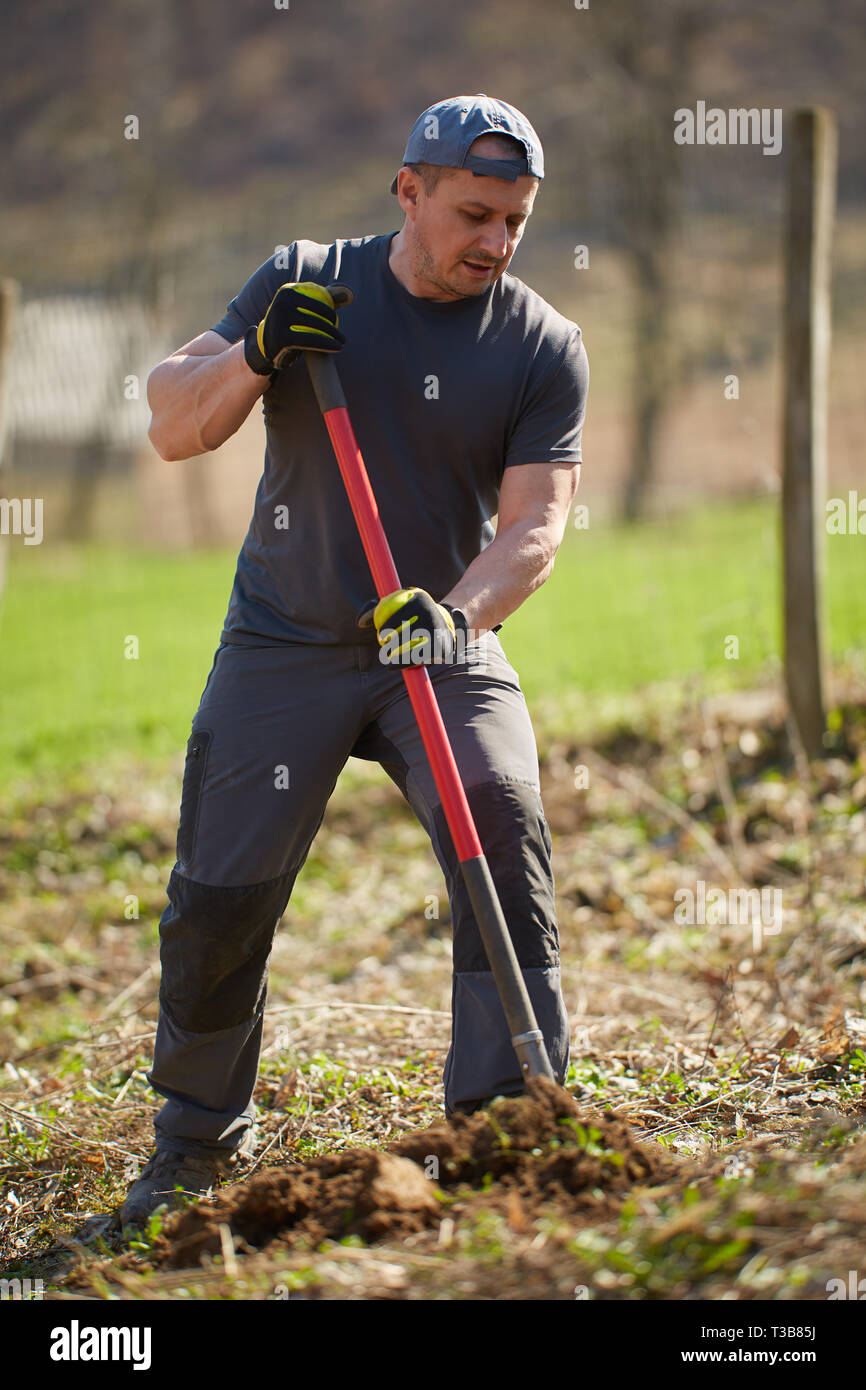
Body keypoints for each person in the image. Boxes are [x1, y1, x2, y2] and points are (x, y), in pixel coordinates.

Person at [120, 94, 589, 1230]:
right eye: (472, 212)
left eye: (514, 221)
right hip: (285, 640)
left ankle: (501, 1124)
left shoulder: (539, 343)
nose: (492, 240)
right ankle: (192, 1142)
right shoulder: (306, 278)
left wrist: (459, 615)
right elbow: (173, 419)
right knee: (220, 893)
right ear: (408, 191)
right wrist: (257, 350)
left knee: (501, 817)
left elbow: (535, 526)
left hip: (437, 639)